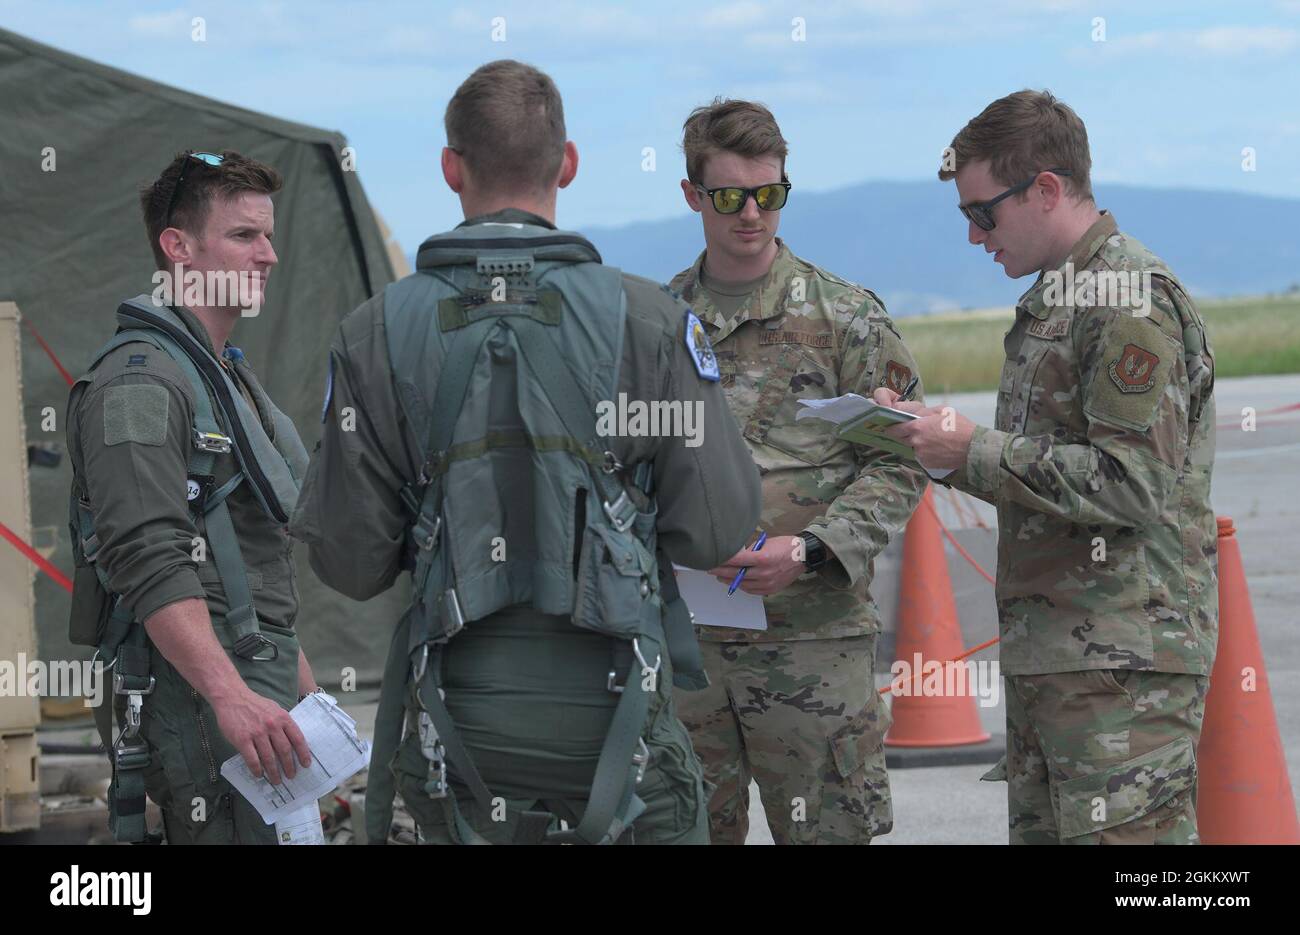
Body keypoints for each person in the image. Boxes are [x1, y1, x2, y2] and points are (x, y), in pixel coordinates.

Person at [289, 60, 762, 845]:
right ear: (567, 163)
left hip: (457, 731)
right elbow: (715, 530)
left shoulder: (375, 331)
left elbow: (350, 561)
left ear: (450, 168)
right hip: (620, 728)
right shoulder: (649, 321)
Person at [876, 90, 1217, 844]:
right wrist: (934, 443)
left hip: (1122, 670)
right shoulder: (1061, 298)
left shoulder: (1127, 299)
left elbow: (1132, 482)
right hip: (1060, 660)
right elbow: (1051, 472)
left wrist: (972, 449)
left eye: (983, 213)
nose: (973, 236)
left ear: (1046, 190)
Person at [668, 99, 928, 845]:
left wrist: (810, 547)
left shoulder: (848, 319)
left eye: (769, 194)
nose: (751, 213)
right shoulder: (656, 324)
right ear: (692, 196)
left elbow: (900, 462)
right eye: (728, 197)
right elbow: (621, 464)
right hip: (689, 648)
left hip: (813, 647)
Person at [66, 150, 319, 844]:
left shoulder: (225, 381)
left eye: (269, 235)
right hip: (198, 705)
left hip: (248, 696)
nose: (268, 254)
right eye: (243, 235)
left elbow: (253, 564)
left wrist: (309, 698)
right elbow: (149, 559)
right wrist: (231, 695)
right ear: (178, 247)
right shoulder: (140, 384)